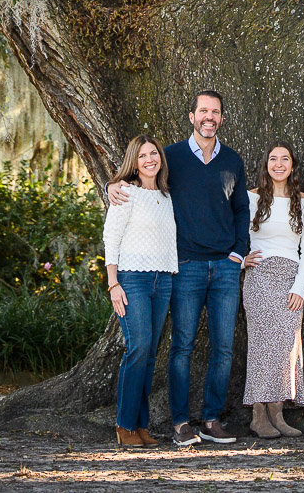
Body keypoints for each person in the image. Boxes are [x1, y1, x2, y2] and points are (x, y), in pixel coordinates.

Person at [107, 90, 249, 446]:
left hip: (224, 268)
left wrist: (239, 253)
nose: (209, 117)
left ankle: (212, 420)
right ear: (191, 116)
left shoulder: (232, 160)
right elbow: (134, 181)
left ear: (221, 117)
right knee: (178, 347)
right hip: (183, 268)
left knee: (223, 347)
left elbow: (242, 210)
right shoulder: (169, 156)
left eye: (215, 112)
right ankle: (179, 424)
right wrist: (110, 186)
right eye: (203, 111)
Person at [102, 133, 178, 449]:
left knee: (148, 356)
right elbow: (111, 238)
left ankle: (141, 425)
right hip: (133, 279)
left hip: (164, 281)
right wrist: (113, 283)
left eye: (154, 154)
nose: (150, 160)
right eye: (143, 155)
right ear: (134, 161)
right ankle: (124, 424)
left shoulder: (166, 196)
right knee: (138, 348)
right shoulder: (125, 194)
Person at [241, 141, 304, 439]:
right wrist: (240, 259)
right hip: (259, 278)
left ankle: (278, 412)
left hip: (289, 279)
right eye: (273, 159)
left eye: (285, 159)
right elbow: (235, 234)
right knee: (261, 346)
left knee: (285, 347)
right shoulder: (251, 198)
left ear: (292, 165)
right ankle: (258, 415)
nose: (279, 164)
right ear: (266, 165)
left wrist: (300, 287)